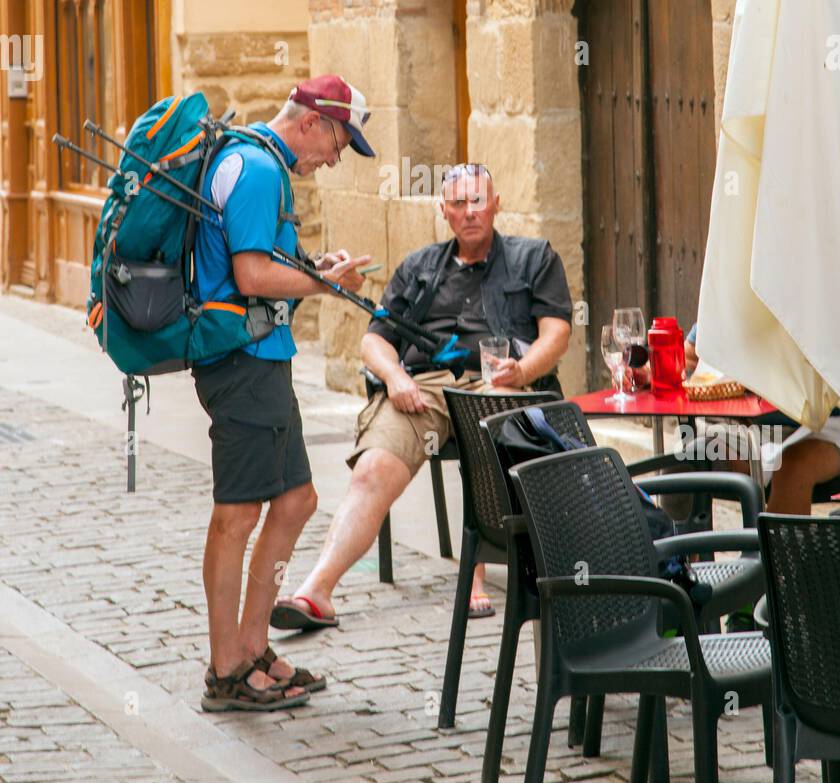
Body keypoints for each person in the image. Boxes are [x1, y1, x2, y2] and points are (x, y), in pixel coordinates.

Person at [270, 163, 573, 632]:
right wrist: (394, 378)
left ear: (496, 204)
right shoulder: (419, 266)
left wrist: (523, 370)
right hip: (422, 387)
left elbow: (557, 333)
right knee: (372, 468)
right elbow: (375, 339)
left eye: (478, 201)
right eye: (458, 203)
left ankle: (473, 571)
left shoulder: (534, 258)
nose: (469, 211)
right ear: (444, 212)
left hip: (500, 382)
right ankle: (316, 591)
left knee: (486, 429)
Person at [192, 75, 373, 712]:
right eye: (339, 145)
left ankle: (250, 642)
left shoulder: (255, 161)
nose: (333, 160)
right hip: (241, 361)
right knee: (237, 515)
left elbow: (265, 265)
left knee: (295, 500)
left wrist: (317, 272)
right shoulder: (259, 169)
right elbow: (249, 273)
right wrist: (322, 287)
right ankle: (226, 671)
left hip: (262, 359)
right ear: (312, 124)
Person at [685, 322, 840, 514]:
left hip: (828, 424)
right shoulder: (743, 295)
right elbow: (690, 354)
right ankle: (671, 539)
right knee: (685, 461)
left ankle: (772, 544)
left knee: (792, 469)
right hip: (753, 425)